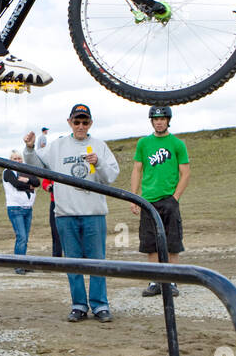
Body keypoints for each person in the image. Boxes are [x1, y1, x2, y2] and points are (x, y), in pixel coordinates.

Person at [23, 103, 119, 322]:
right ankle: (78, 305)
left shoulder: (99, 145)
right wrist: (29, 149)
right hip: (66, 214)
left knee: (97, 262)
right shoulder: (57, 146)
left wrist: (99, 162)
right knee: (72, 261)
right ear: (70, 123)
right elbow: (36, 165)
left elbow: (111, 176)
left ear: (90, 123)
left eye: (85, 122)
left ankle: (100, 305)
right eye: (77, 122)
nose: (81, 126)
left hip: (93, 213)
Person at [129, 106, 190, 297]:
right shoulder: (144, 143)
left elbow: (185, 172)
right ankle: (155, 281)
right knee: (150, 243)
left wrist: (175, 198)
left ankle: (171, 282)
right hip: (148, 201)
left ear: (168, 120)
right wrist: (134, 197)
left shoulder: (177, 144)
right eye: (156, 119)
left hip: (169, 200)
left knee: (172, 242)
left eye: (163, 118)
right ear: (151, 121)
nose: (159, 122)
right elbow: (137, 170)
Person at [3, 150, 40, 274]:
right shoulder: (8, 172)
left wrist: (27, 180)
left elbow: (37, 182)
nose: (18, 160)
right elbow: (16, 184)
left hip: (27, 208)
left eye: (19, 158)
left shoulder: (25, 171)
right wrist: (29, 185)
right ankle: (18, 264)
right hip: (15, 208)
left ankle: (22, 262)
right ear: (10, 160)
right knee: (21, 237)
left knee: (25, 238)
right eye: (15, 159)